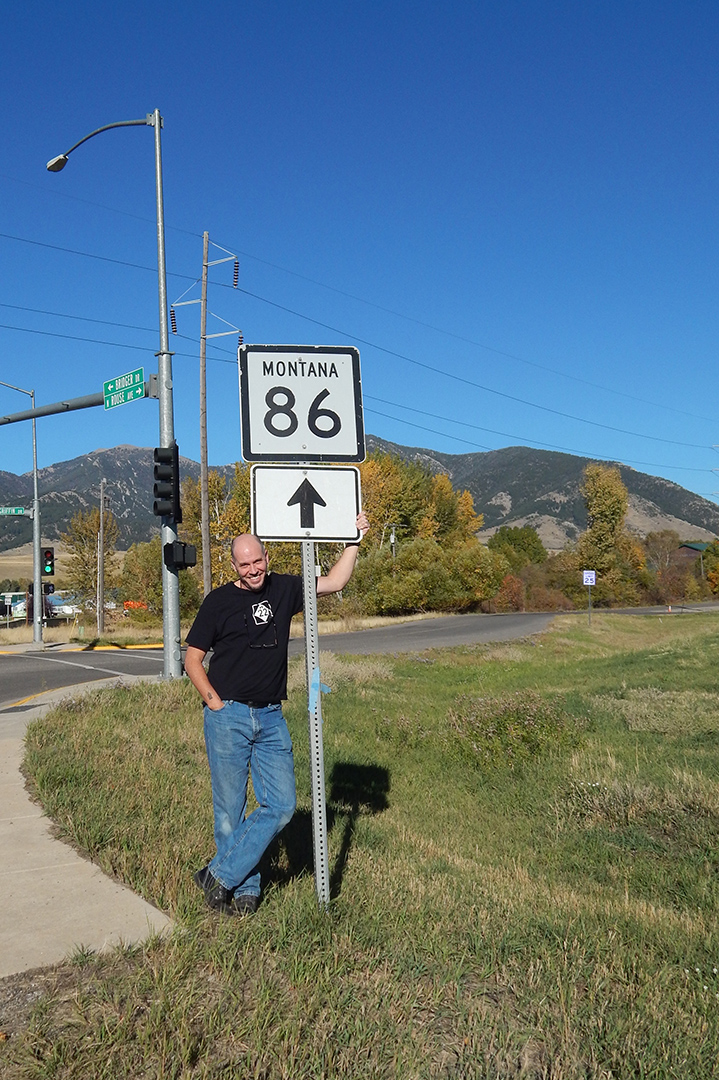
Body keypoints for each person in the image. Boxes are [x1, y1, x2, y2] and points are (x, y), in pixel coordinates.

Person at [184, 512, 369, 915]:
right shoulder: (219, 602)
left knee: (282, 806)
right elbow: (193, 659)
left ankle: (218, 874)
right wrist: (214, 701)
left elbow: (335, 582)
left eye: (258, 561)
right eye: (244, 564)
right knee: (229, 810)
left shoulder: (285, 588)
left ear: (267, 557)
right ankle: (245, 889)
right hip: (228, 715)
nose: (253, 570)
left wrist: (353, 541)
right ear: (233, 565)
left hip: (270, 717)